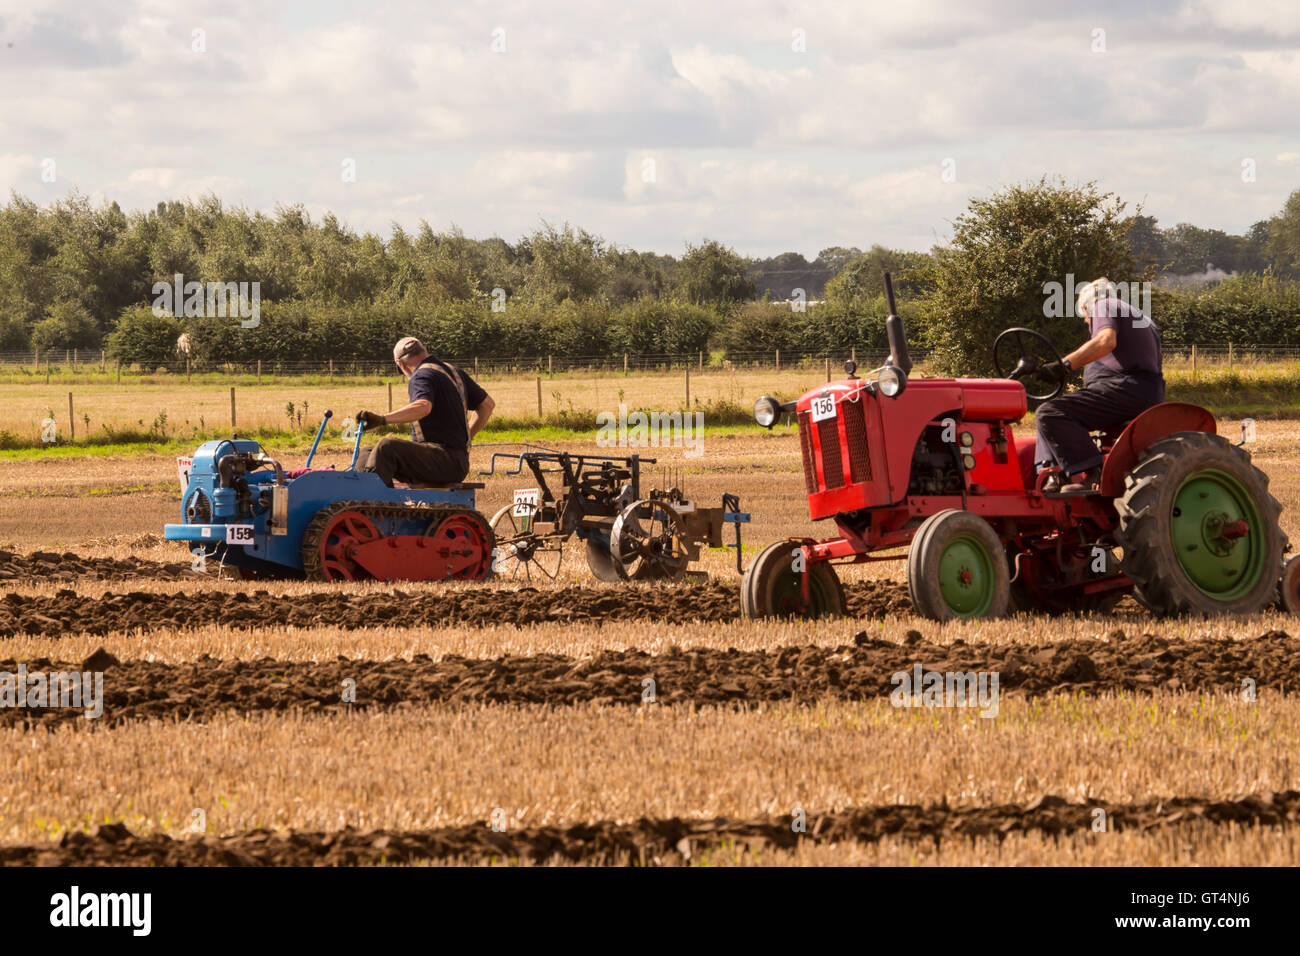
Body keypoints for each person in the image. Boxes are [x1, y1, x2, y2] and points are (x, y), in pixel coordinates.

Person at [1034, 278, 1164, 493]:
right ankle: (1051, 472)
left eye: (1086, 319)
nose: (1088, 322)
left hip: (1128, 389)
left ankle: (1090, 473)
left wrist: (1063, 365)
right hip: (1140, 390)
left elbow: (1106, 341)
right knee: (1055, 410)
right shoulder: (1139, 316)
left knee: (1050, 412)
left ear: (1085, 307)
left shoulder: (1103, 305)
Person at [355, 337, 494, 487]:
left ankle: (373, 503)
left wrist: (382, 419)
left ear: (401, 364)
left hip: (444, 463)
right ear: (424, 351)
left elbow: (423, 406)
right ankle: (364, 494)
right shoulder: (455, 372)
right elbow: (487, 405)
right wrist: (466, 439)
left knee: (387, 447)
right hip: (456, 461)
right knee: (368, 452)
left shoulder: (421, 375)